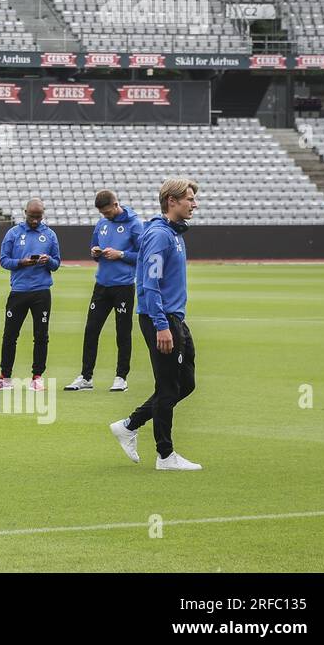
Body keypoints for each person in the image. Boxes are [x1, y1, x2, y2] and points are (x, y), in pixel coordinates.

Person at [110, 178, 202, 471]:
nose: (195, 204)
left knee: (185, 383)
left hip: (174, 318)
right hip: (160, 318)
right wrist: (161, 325)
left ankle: (129, 425)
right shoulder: (160, 235)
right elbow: (149, 284)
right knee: (167, 387)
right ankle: (165, 455)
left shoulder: (174, 233)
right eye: (190, 199)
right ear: (172, 201)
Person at [65, 189, 143, 393]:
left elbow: (143, 255)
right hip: (101, 285)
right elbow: (95, 249)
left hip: (123, 286)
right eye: (102, 213)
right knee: (91, 330)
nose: (105, 216)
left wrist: (121, 254)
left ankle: (121, 377)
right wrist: (95, 253)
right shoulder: (101, 224)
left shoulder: (135, 224)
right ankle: (86, 377)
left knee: (122, 332)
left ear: (116, 205)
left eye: (107, 212)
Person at [0, 197, 60, 392]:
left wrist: (48, 260)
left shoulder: (50, 235)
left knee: (41, 336)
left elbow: (56, 263)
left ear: (43, 215)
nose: (35, 220)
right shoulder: (13, 233)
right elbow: (4, 260)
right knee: (10, 335)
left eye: (39, 216)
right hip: (19, 291)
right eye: (32, 216)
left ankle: (37, 377)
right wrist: (21, 262)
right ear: (25, 213)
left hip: (41, 292)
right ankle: (5, 378)